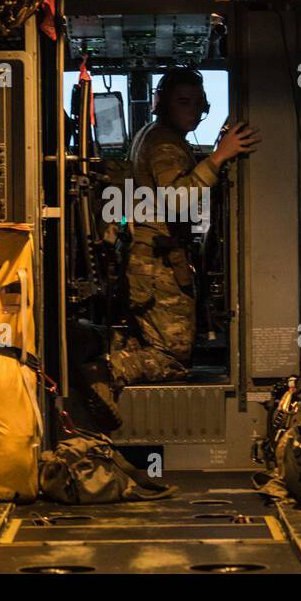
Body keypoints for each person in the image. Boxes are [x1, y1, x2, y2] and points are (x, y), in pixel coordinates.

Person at [78, 68, 260, 430]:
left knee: (147, 337)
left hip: (147, 260)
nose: (192, 111)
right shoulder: (164, 144)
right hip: (157, 264)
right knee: (173, 357)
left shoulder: (156, 135)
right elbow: (177, 202)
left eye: (197, 104)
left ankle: (105, 365)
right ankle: (107, 371)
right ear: (162, 105)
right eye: (183, 102)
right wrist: (219, 157)